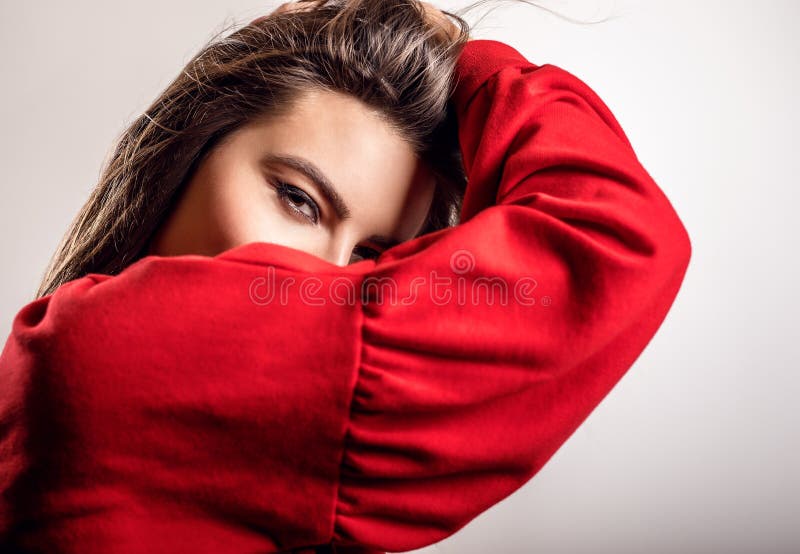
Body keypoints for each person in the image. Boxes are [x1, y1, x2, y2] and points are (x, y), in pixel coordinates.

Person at [0, 1, 692, 553]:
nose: (324, 279)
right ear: (191, 141)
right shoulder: (108, 361)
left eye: (371, 259)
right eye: (298, 200)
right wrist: (479, 68)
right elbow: (615, 237)